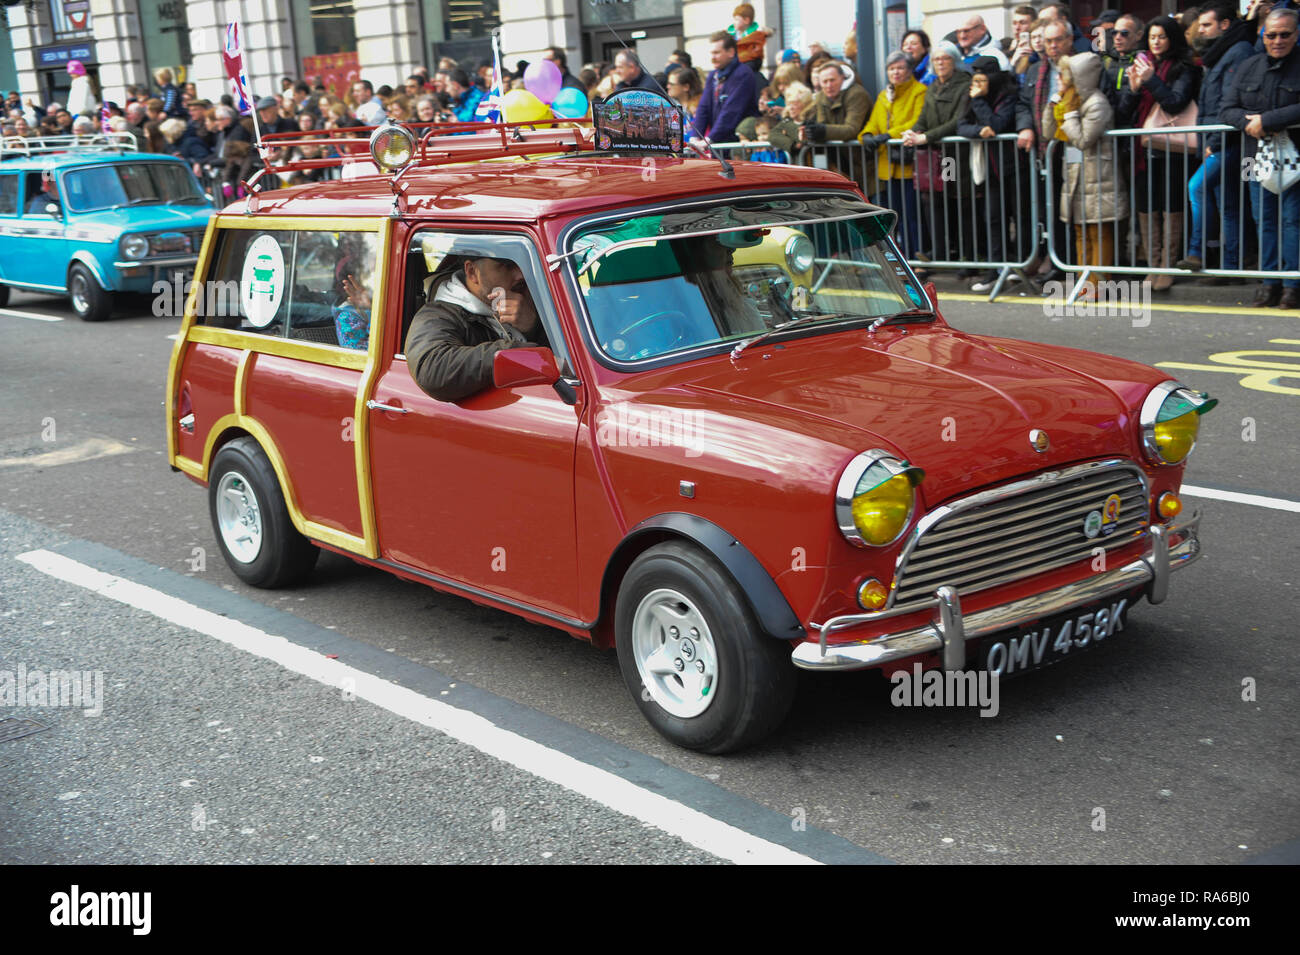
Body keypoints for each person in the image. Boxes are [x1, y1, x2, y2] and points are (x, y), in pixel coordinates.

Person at [1220, 6, 1300, 307]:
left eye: (1285, 34)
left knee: (1292, 220)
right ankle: (1268, 284)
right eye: (1271, 35)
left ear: (1296, 34)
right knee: (1262, 219)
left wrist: (1267, 120)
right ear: (1263, 35)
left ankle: (1292, 285)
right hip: (1252, 156)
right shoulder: (1248, 66)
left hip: (1294, 154)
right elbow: (1226, 108)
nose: (1277, 40)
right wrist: (1249, 123)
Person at [1116, 15, 1201, 291]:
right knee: (1147, 207)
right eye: (1152, 37)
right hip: (1143, 151)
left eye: (1161, 36)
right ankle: (1152, 266)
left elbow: (1176, 102)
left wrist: (1152, 80)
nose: (1156, 42)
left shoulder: (1185, 67)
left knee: (1171, 206)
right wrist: (1133, 88)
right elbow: (1124, 111)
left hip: (1172, 150)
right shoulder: (1141, 66)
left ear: (1172, 38)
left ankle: (1168, 265)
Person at [1042, 52, 1128, 301]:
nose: (1059, 79)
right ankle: (1083, 282)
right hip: (1076, 174)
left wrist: (1068, 115)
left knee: (1099, 232)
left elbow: (1082, 139)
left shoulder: (1096, 103)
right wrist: (1053, 104)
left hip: (1098, 175)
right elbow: (1049, 132)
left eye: (1063, 75)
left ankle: (1099, 286)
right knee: (1081, 231)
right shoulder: (1070, 100)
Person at [1178, 2, 1256, 274]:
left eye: (1206, 25)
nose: (1200, 30)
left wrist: (1215, 142)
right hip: (1219, 139)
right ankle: (1232, 266)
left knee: (1196, 187)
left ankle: (1197, 252)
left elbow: (1230, 101)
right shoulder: (1221, 52)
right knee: (1228, 204)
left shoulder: (1237, 51)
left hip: (1227, 142)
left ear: (1224, 25)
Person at [406, 256, 545, 402]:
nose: (521, 274)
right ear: (472, 272)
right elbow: (432, 369)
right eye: (508, 266)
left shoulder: (533, 296)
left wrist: (533, 326)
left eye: (523, 263)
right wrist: (518, 353)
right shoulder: (437, 315)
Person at [1017, 18, 1075, 285]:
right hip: (1043, 150)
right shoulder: (1035, 71)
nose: (1052, 46)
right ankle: (1057, 262)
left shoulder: (1081, 65)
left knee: (1071, 209)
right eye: (1049, 41)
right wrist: (1026, 127)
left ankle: (1072, 264)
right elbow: (1023, 105)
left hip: (1073, 146)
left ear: (1069, 40)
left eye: (1058, 40)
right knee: (1049, 209)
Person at [904, 41, 971, 268]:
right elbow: (924, 116)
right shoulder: (932, 87)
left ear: (955, 61)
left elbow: (957, 121)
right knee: (931, 198)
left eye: (945, 58)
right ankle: (940, 250)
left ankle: (963, 254)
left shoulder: (964, 84)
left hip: (953, 156)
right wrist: (913, 131)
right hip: (934, 157)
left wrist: (927, 137)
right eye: (937, 59)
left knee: (956, 198)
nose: (940, 63)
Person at [958, 56, 1020, 289]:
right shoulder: (974, 98)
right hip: (989, 169)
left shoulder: (1007, 95)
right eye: (976, 80)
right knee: (993, 218)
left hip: (1013, 166)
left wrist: (980, 103)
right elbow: (961, 126)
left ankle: (1019, 265)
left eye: (983, 80)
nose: (978, 85)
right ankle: (995, 269)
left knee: (1019, 216)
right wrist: (978, 130)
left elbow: (998, 124)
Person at [860, 51, 926, 256]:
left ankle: (916, 256)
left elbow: (916, 121)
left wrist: (888, 135)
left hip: (909, 165)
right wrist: (867, 134)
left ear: (909, 70)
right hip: (887, 166)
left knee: (911, 216)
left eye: (900, 68)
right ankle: (898, 258)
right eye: (891, 68)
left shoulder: (919, 91)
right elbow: (873, 122)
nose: (895, 72)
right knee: (892, 216)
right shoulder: (883, 95)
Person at [689, 31, 761, 147]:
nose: (713, 57)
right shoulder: (713, 75)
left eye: (717, 53)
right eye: (711, 53)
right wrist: (695, 137)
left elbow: (732, 111)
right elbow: (703, 107)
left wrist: (710, 139)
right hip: (718, 144)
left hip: (738, 143)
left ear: (731, 52)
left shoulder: (743, 74)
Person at [801, 60, 871, 144]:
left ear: (842, 78)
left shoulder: (856, 94)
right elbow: (822, 123)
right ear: (820, 83)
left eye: (832, 80)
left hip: (861, 153)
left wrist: (822, 131)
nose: (829, 85)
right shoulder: (820, 97)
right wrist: (810, 131)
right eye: (825, 81)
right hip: (836, 153)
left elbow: (852, 129)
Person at [1103, 14, 1147, 108]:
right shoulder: (1107, 61)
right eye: (1114, 32)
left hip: (1136, 121)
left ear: (1139, 35)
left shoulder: (1146, 63)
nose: (1118, 37)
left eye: (1124, 33)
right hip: (1110, 119)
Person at [728, 3, 771, 74]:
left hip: (747, 69)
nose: (734, 23)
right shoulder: (731, 36)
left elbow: (754, 57)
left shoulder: (756, 37)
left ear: (746, 20)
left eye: (736, 19)